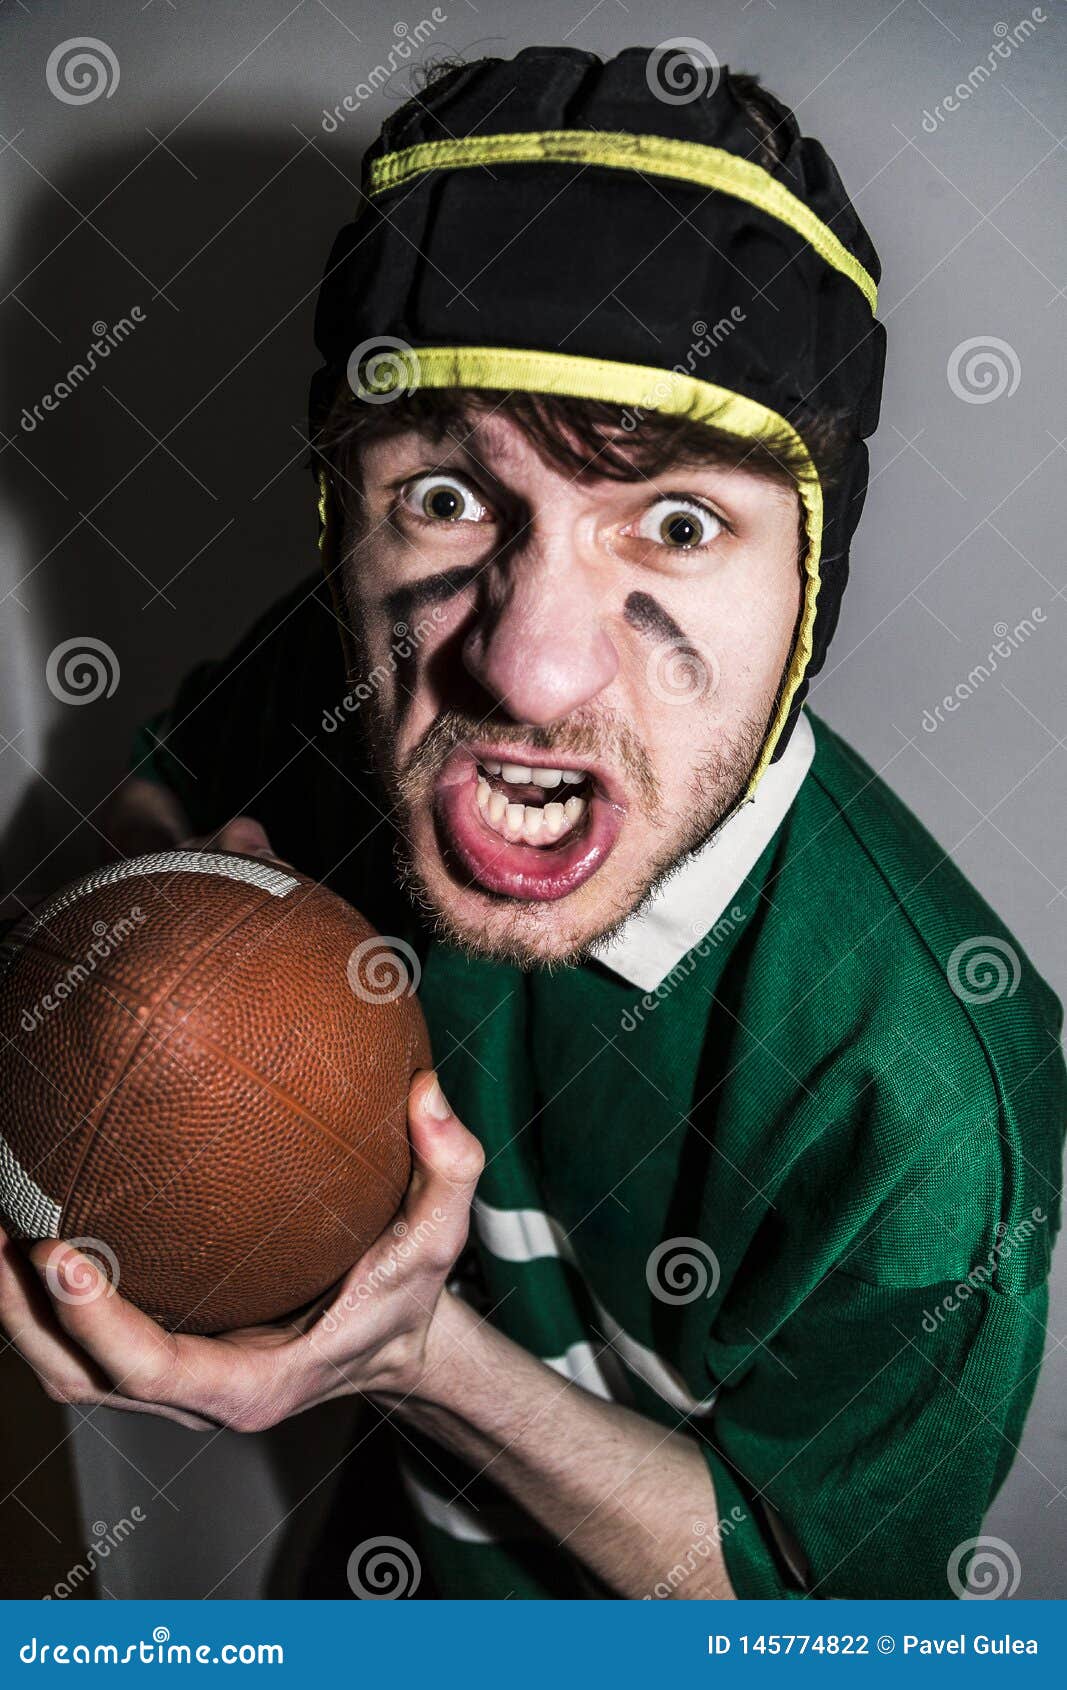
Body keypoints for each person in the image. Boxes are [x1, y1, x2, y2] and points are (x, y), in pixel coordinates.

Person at [1, 45, 1063, 1602]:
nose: (526, 662)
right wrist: (135, 1036)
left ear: (809, 587)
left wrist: (419, 1358)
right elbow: (161, 797)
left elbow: (807, 1619)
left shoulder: (931, 1104)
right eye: (446, 496)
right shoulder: (346, 676)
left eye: (681, 521)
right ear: (342, 511)